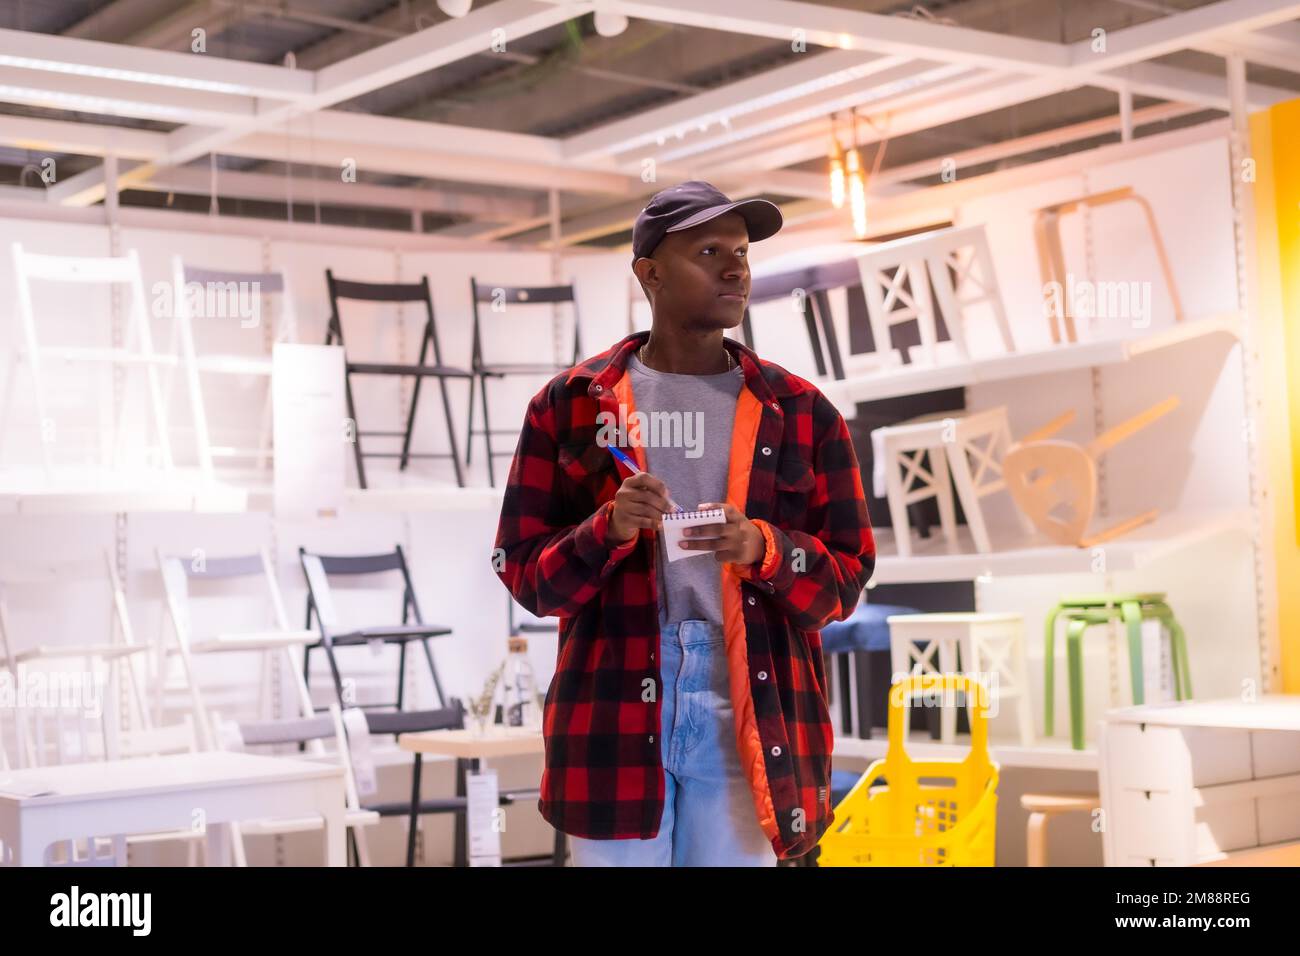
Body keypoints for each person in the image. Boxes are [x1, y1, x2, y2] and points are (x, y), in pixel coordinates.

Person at [493, 180, 875, 866]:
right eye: (708, 251)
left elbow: (846, 581)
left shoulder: (804, 414)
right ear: (651, 273)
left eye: (741, 253)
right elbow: (523, 574)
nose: (735, 269)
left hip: (752, 702)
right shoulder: (571, 406)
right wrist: (602, 531)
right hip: (613, 702)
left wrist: (765, 547)